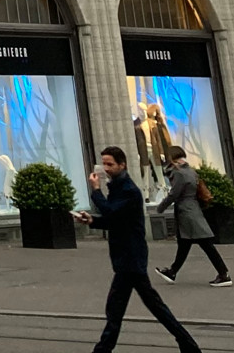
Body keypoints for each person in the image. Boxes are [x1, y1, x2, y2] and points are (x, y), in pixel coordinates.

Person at [76, 145, 201, 353]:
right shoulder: (118, 187)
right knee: (138, 306)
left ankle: (103, 349)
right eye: (103, 164)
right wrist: (91, 221)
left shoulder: (129, 190)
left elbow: (111, 212)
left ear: (122, 165)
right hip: (126, 257)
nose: (105, 169)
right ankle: (188, 344)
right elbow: (115, 220)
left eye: (110, 164)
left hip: (131, 257)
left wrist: (96, 191)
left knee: (124, 308)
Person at [152, 146, 230, 287]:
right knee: (184, 244)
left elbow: (174, 193)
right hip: (193, 209)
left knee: (205, 244)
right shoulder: (190, 171)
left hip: (187, 212)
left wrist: (161, 207)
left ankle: (224, 273)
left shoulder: (179, 173)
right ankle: (172, 271)